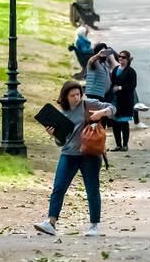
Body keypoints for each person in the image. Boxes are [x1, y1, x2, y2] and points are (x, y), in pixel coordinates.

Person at [34, 79, 115, 237]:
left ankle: (94, 226)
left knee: (92, 190)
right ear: (65, 97)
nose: (76, 98)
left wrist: (101, 113)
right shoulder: (61, 113)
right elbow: (61, 142)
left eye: (78, 94)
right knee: (58, 188)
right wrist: (53, 135)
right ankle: (51, 222)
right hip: (68, 154)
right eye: (72, 95)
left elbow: (113, 108)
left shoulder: (87, 104)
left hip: (89, 155)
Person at [109, 50, 138, 151]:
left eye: (123, 57)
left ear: (128, 59)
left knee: (124, 123)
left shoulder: (131, 71)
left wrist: (120, 87)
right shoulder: (116, 69)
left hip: (126, 100)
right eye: (119, 57)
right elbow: (112, 82)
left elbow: (132, 85)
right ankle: (118, 144)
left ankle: (125, 144)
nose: (121, 58)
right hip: (115, 100)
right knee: (115, 123)